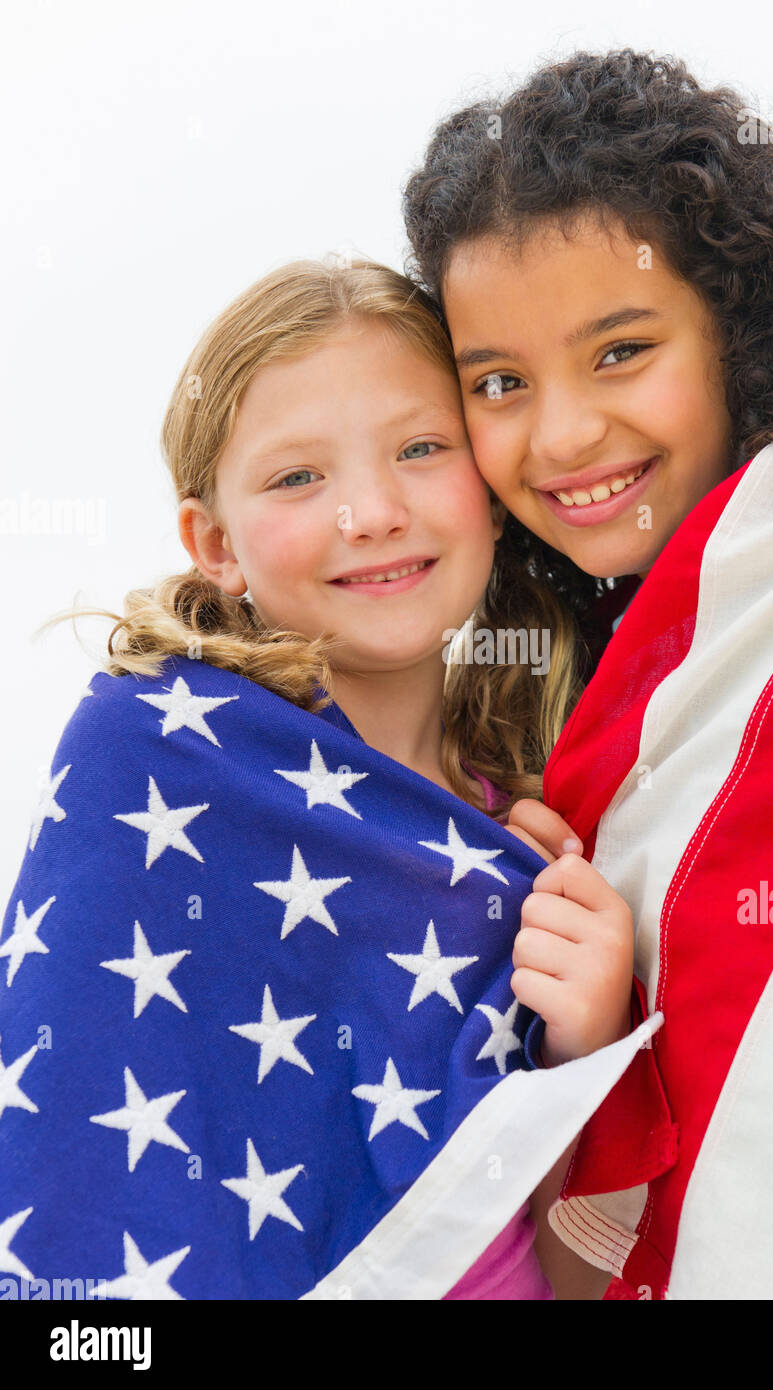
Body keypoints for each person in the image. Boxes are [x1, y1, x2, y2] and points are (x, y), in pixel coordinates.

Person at [402, 50, 773, 1299]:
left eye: (619, 351)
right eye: (497, 383)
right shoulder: (517, 728)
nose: (561, 436)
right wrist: (589, 1034)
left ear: (742, 329)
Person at [0, 258, 648, 1301]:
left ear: (489, 486)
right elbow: (70, 1179)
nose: (371, 512)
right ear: (214, 542)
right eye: (298, 477)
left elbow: (583, 1270)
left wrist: (588, 1043)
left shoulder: (544, 814)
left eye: (421, 448)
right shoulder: (150, 756)